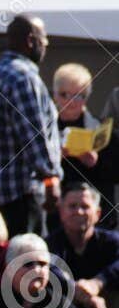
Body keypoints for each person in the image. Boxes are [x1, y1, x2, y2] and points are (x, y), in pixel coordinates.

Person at [0, 15, 61, 235]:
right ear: (31, 41)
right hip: (22, 194)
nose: (45, 46)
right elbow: (34, 136)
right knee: (27, 263)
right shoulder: (23, 78)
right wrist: (51, 178)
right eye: (44, 40)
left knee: (3, 263)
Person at [47, 181, 119, 308]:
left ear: (97, 213)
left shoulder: (112, 241)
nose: (78, 212)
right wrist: (79, 292)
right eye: (72, 206)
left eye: (85, 207)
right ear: (61, 211)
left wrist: (97, 283)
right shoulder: (50, 244)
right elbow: (49, 270)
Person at [53, 63, 118, 214]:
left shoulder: (102, 130)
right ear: (54, 95)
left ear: (87, 97)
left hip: (93, 212)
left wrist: (96, 163)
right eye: (64, 95)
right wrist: (54, 159)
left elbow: (114, 174)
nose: (71, 101)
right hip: (55, 212)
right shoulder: (42, 129)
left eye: (79, 95)